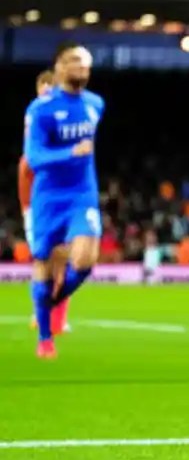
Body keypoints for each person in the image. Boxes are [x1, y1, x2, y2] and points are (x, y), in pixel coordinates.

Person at [25, 44, 105, 358]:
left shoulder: (96, 104)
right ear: (58, 67)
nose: (81, 67)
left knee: (85, 260)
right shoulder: (40, 110)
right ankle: (45, 338)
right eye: (74, 61)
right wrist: (70, 152)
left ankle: (50, 303)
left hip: (82, 193)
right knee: (45, 262)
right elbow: (34, 158)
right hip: (48, 197)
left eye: (86, 63)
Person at [23, 69, 74, 336]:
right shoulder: (37, 124)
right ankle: (43, 313)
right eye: (43, 88)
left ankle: (59, 317)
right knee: (44, 259)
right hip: (39, 204)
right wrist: (26, 209)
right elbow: (26, 168)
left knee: (62, 261)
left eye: (50, 88)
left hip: (60, 200)